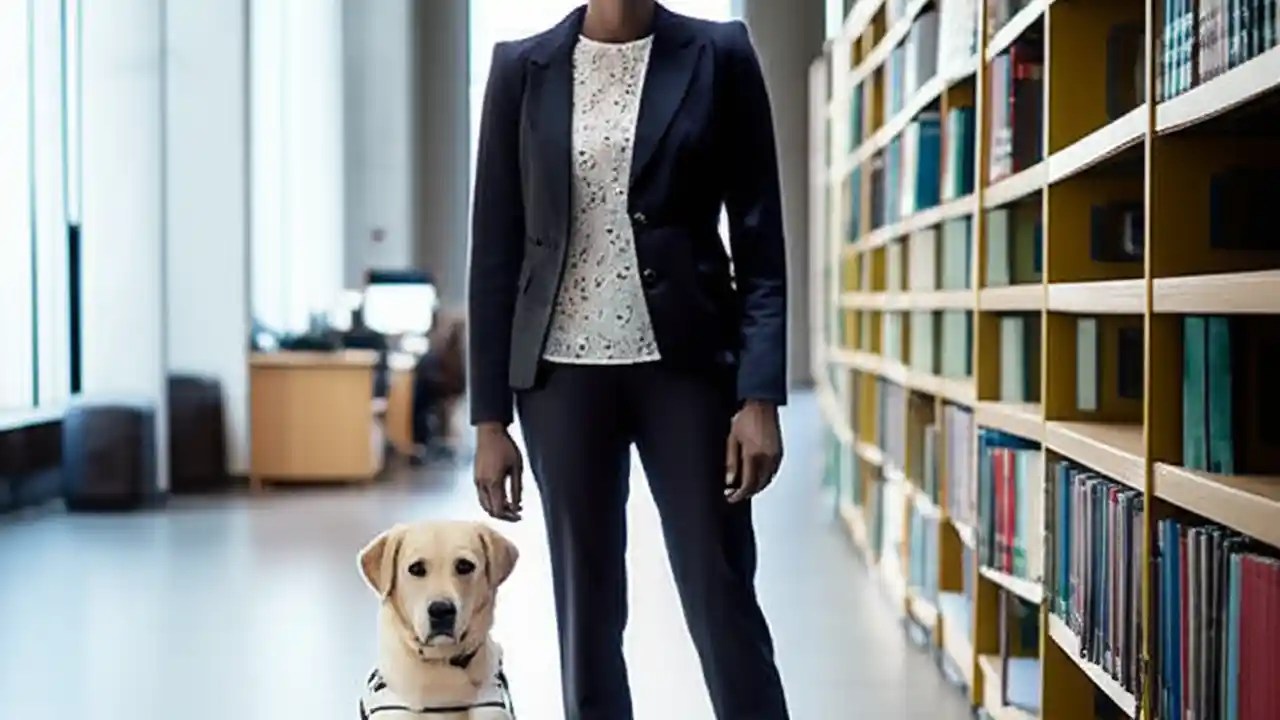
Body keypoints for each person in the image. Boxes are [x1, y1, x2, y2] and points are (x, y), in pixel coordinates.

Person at [468, 1, 789, 718]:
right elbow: (495, 249)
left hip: (691, 372)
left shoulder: (719, 53)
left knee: (721, 597)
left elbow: (760, 238)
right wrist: (489, 418)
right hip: (560, 378)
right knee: (586, 617)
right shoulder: (521, 68)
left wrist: (759, 394)